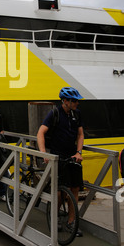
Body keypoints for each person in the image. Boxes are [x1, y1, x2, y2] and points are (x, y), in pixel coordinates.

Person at [37, 86, 84, 236]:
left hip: (73, 156)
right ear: (65, 101)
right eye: (74, 101)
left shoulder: (77, 114)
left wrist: (78, 152)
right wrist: (43, 152)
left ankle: (71, 222)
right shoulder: (54, 113)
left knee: (75, 189)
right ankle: (54, 217)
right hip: (58, 156)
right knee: (59, 192)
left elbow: (80, 135)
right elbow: (41, 133)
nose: (77, 103)